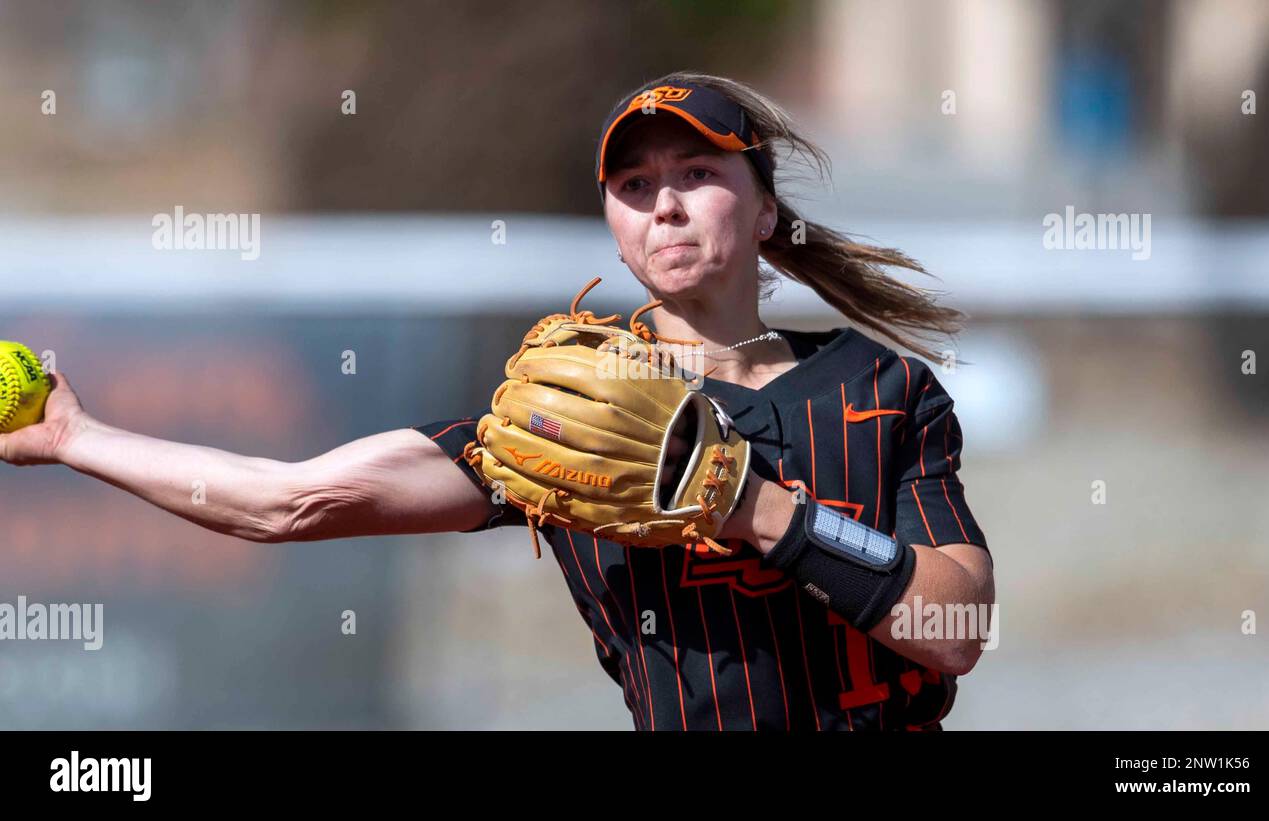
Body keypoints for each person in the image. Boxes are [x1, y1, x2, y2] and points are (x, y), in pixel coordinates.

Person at [0, 71, 993, 731]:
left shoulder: (877, 387)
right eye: (634, 184)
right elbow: (284, 500)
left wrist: (756, 510)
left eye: (698, 172)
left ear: (766, 207)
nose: (666, 204)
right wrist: (79, 436)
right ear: (612, 226)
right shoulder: (561, 417)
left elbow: (957, 630)